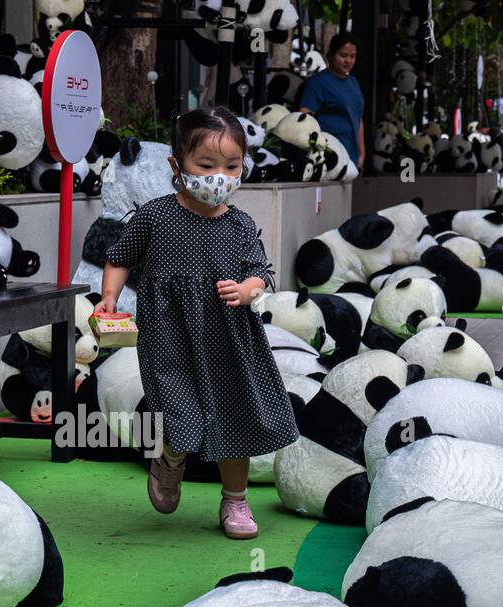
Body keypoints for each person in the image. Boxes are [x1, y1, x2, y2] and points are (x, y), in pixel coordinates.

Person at [94, 107, 298, 540]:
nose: (219, 176)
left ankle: (236, 501)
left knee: (234, 418)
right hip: (168, 338)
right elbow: (119, 257)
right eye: (206, 166)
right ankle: (170, 458)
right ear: (176, 165)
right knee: (180, 415)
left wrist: (247, 290)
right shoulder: (154, 216)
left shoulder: (240, 225)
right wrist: (109, 296)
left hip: (229, 337)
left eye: (231, 166)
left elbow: (261, 273)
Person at [296, 31, 366, 169]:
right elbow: (304, 118)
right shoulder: (317, 83)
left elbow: (358, 118)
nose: (348, 61)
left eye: (352, 56)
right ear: (331, 55)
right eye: (343, 55)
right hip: (328, 156)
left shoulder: (354, 82)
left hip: (351, 157)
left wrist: (362, 153)